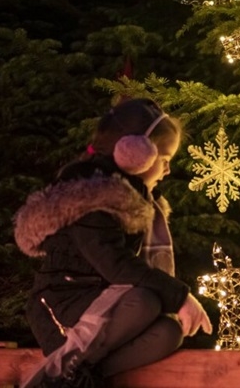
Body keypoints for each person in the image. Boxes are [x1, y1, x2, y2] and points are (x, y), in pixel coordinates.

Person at [14, 98, 212, 388]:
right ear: (137, 154)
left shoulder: (133, 200)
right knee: (144, 300)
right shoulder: (92, 195)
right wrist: (181, 296)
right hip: (60, 305)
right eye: (165, 160)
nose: (167, 171)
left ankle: (79, 376)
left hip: (102, 312)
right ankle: (53, 379)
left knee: (169, 332)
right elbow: (116, 265)